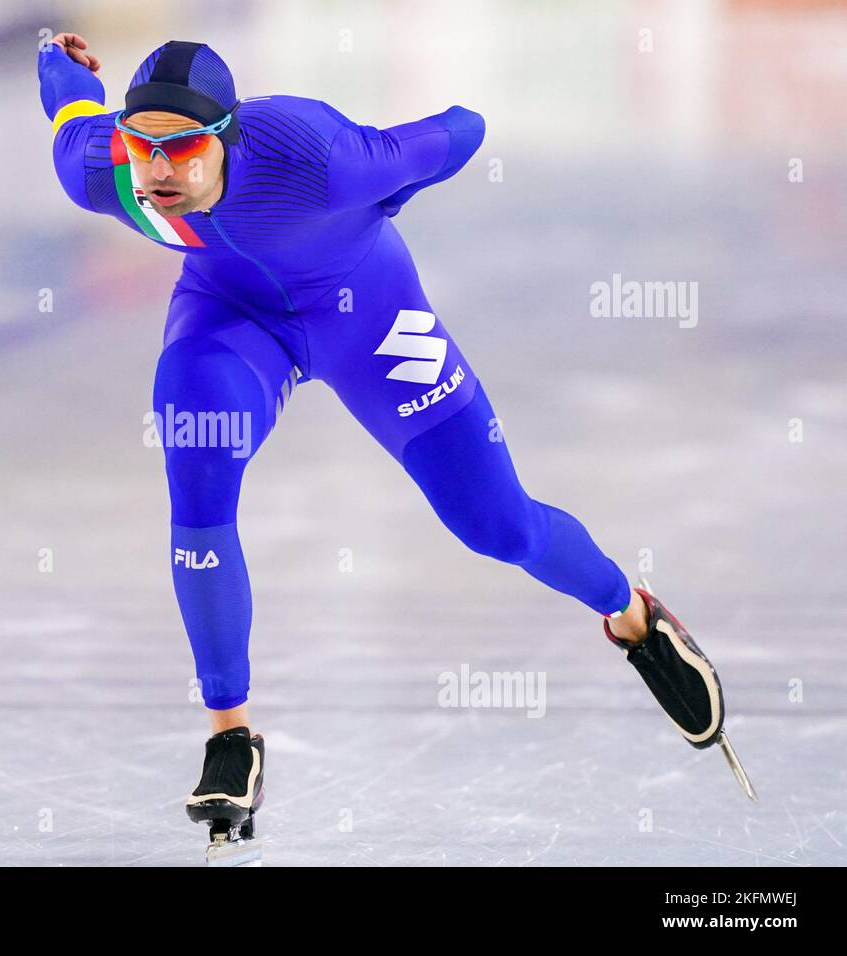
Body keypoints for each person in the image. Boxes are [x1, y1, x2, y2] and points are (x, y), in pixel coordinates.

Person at [37, 34, 737, 846]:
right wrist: (58, 55)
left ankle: (632, 614)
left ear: (225, 136)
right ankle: (231, 737)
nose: (158, 171)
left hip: (366, 311)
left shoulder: (324, 161)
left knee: (497, 527)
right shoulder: (104, 170)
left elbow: (462, 129)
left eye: (183, 147)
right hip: (234, 322)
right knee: (193, 458)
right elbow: (70, 102)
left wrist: (390, 190)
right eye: (141, 145)